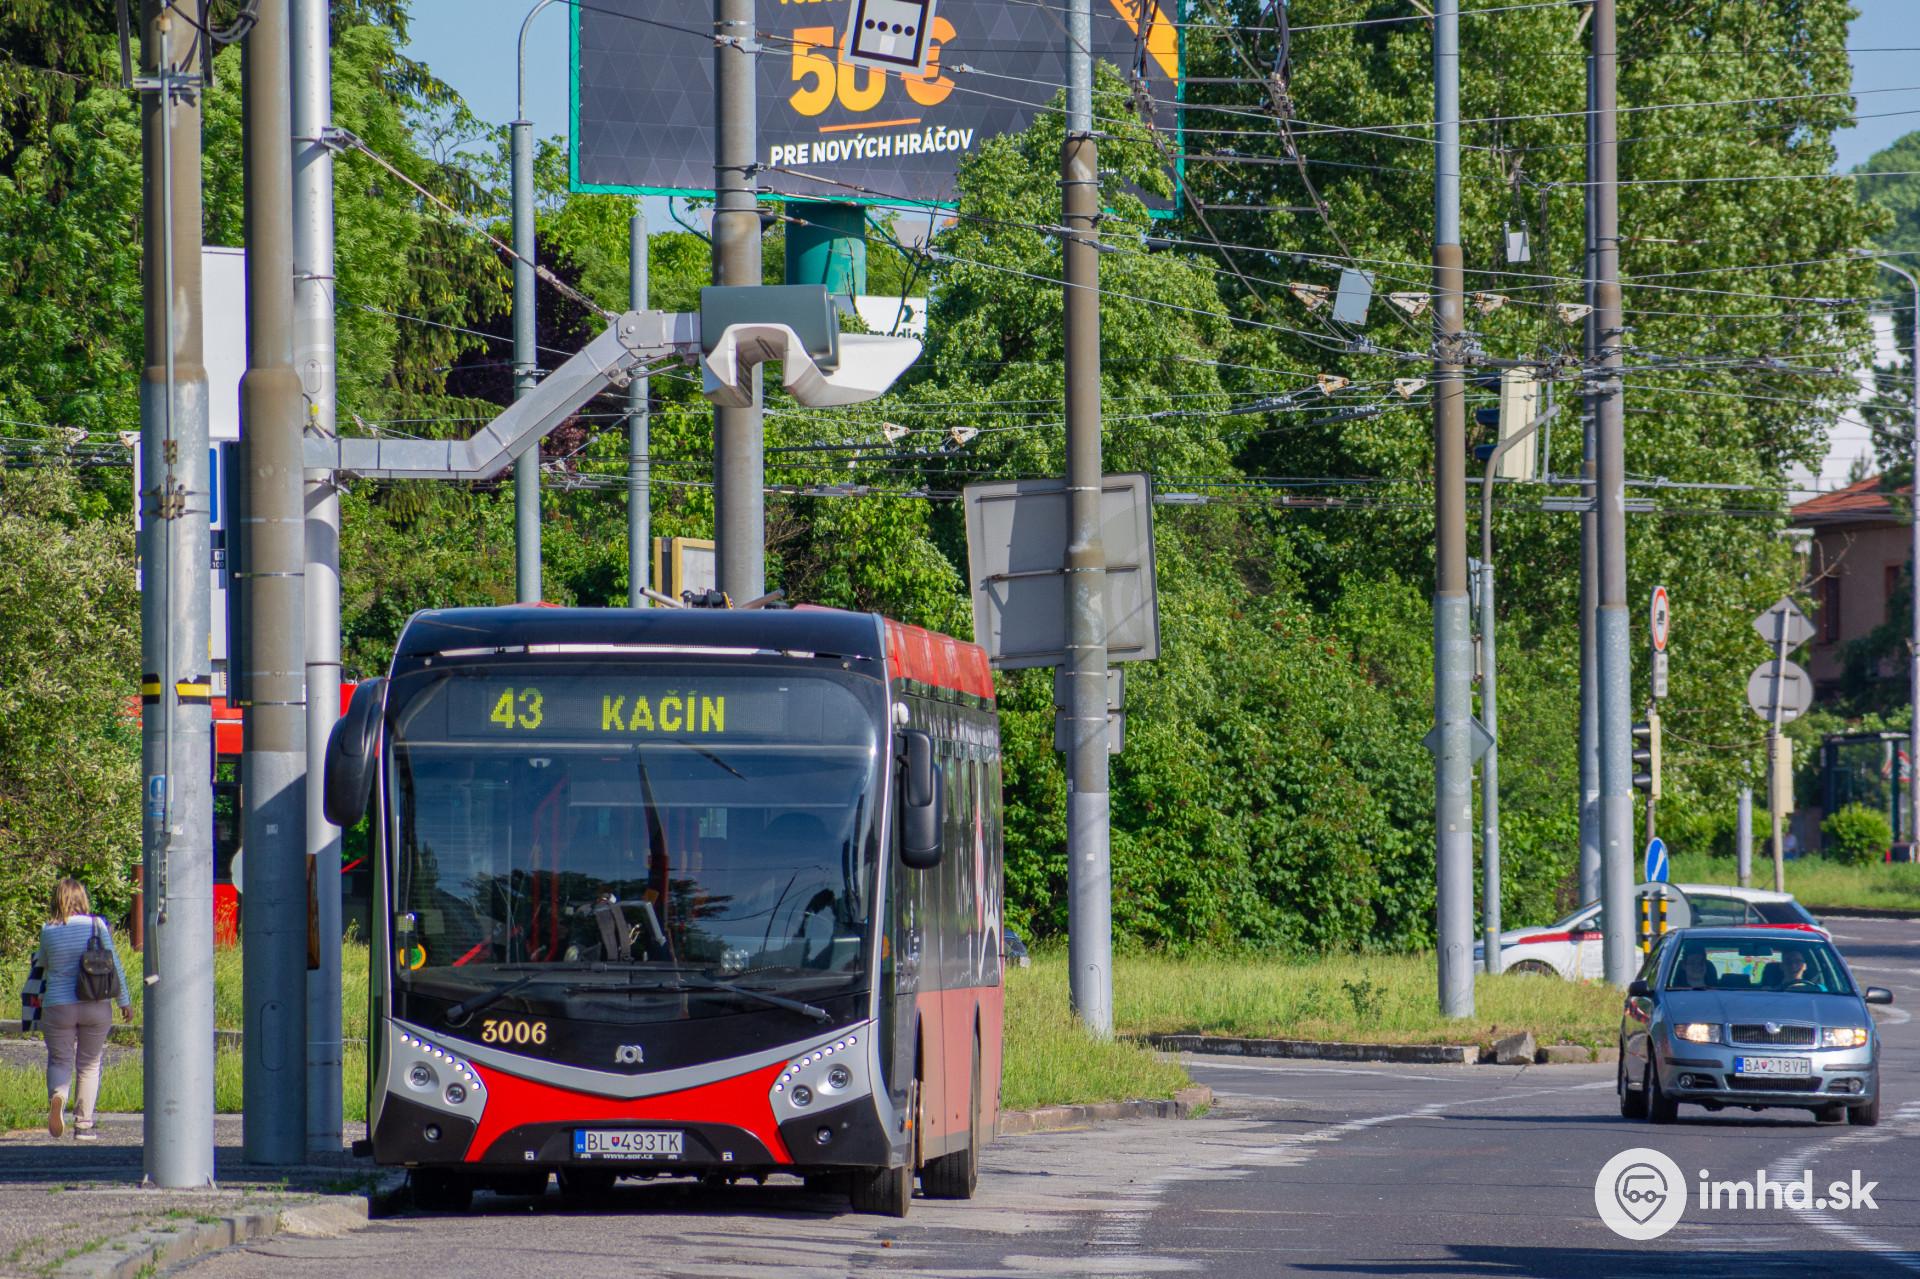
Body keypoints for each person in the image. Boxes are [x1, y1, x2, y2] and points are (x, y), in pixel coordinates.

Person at [38, 878, 133, 1140]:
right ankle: (84, 1124)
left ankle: (58, 1094)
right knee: (89, 1064)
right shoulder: (96, 925)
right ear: (82, 899)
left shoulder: (48, 929)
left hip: (58, 1005)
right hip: (95, 1003)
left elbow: (42, 962)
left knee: (60, 1060)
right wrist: (124, 1001)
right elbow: (114, 965)